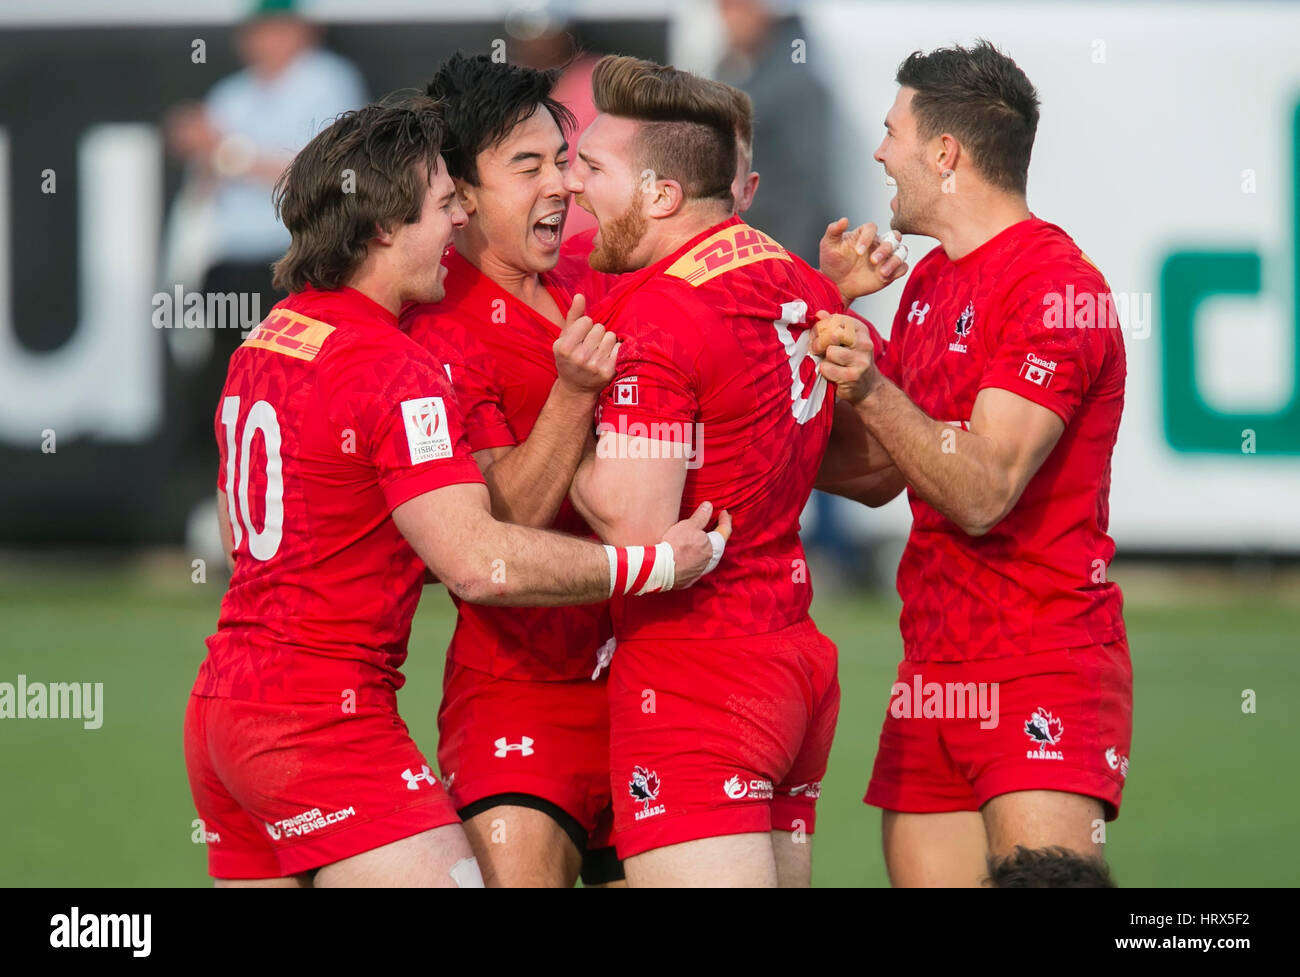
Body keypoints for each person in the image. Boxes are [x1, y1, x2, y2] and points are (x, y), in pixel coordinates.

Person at [183, 94, 729, 888]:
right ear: (380, 227)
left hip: (223, 707)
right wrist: (651, 564)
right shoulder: (392, 365)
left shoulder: (269, 339)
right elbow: (478, 563)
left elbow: (253, 535)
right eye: (443, 208)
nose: (455, 227)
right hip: (323, 719)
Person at [813, 41, 1129, 888]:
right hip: (933, 666)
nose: (880, 151)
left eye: (892, 133)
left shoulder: (1056, 287)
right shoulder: (929, 286)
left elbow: (983, 488)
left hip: (1042, 661)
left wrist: (871, 385)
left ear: (944, 153)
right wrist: (761, 412)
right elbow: (884, 470)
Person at [565, 56, 852, 887]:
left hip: (698, 674)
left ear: (660, 196)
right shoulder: (799, 279)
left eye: (593, 169)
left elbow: (635, 525)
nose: (576, 189)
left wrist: (543, 423)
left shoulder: (662, 312)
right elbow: (872, 476)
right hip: (793, 659)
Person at [401, 53, 624, 888]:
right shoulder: (436, 327)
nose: (561, 187)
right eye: (528, 167)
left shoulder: (592, 274)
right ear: (459, 195)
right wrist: (573, 395)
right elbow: (500, 529)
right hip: (517, 693)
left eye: (562, 162)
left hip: (648, 681)